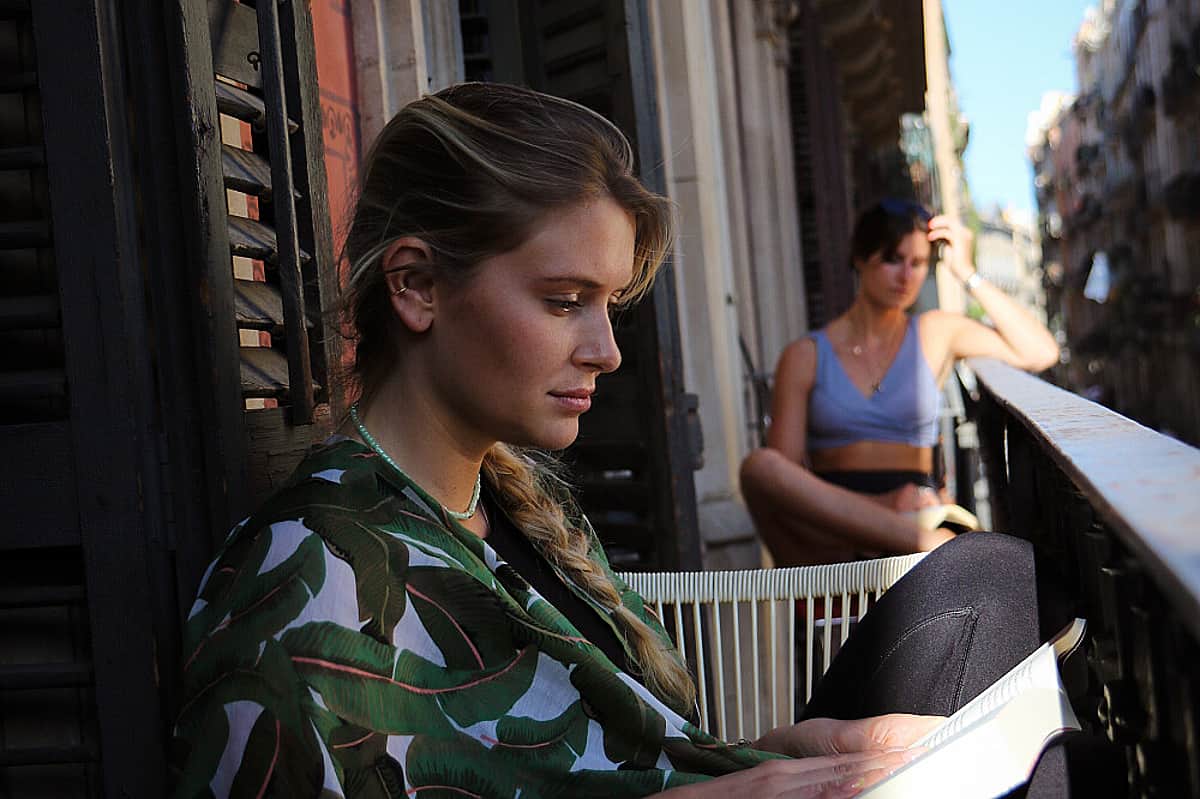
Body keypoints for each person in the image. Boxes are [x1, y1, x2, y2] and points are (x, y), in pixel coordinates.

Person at [170, 84, 1079, 798]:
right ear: (416, 287)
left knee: (988, 576)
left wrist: (790, 753)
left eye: (609, 304)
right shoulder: (304, 586)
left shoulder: (519, 500)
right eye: (565, 301)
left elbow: (626, 759)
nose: (605, 351)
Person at [740, 200, 1060, 566]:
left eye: (919, 263)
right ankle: (935, 546)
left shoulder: (936, 332)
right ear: (861, 257)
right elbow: (783, 478)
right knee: (758, 468)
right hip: (833, 531)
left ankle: (926, 542)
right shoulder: (805, 355)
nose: (907, 275)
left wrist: (967, 273)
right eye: (893, 258)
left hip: (918, 513)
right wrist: (880, 506)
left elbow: (1040, 351)